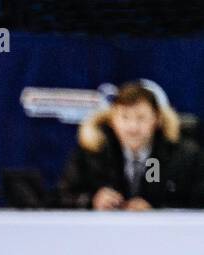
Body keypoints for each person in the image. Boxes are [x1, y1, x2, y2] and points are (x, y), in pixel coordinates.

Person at [58, 81, 204, 210]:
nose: (133, 127)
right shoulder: (93, 150)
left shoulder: (184, 155)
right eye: (124, 117)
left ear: (157, 119)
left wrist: (156, 207)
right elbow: (62, 196)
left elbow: (197, 200)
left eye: (141, 118)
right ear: (112, 119)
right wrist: (91, 201)